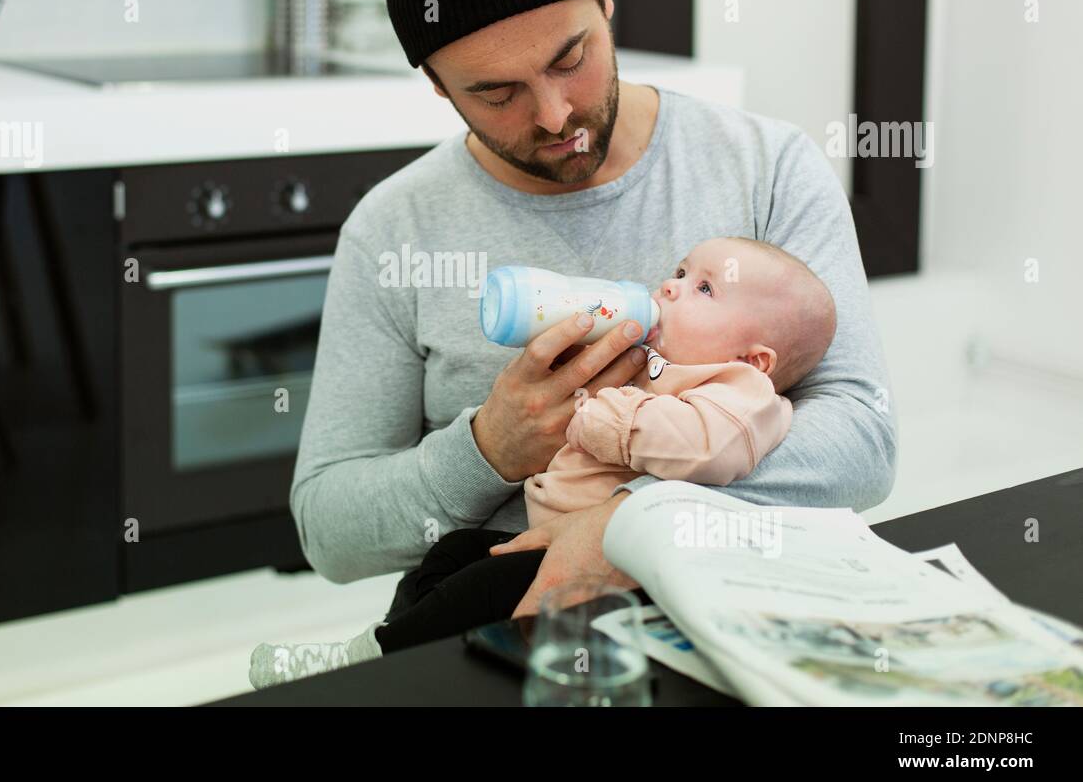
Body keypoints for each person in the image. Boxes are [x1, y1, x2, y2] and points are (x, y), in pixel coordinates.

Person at [287, 0, 895, 654]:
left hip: (736, 588)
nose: (552, 114)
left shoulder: (764, 166)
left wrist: (632, 523)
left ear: (607, 7)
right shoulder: (394, 228)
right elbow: (330, 532)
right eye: (496, 92)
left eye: (571, 59)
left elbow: (863, 441)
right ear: (439, 88)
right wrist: (490, 448)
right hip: (498, 605)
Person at [250, 237, 837, 686]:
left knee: (476, 590)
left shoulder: (738, 390)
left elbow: (707, 447)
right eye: (681, 272)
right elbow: (326, 530)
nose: (672, 287)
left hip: (618, 570)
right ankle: (386, 650)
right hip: (540, 537)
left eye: (706, 289)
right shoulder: (657, 358)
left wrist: (603, 416)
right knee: (448, 556)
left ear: (757, 358)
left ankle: (369, 667)